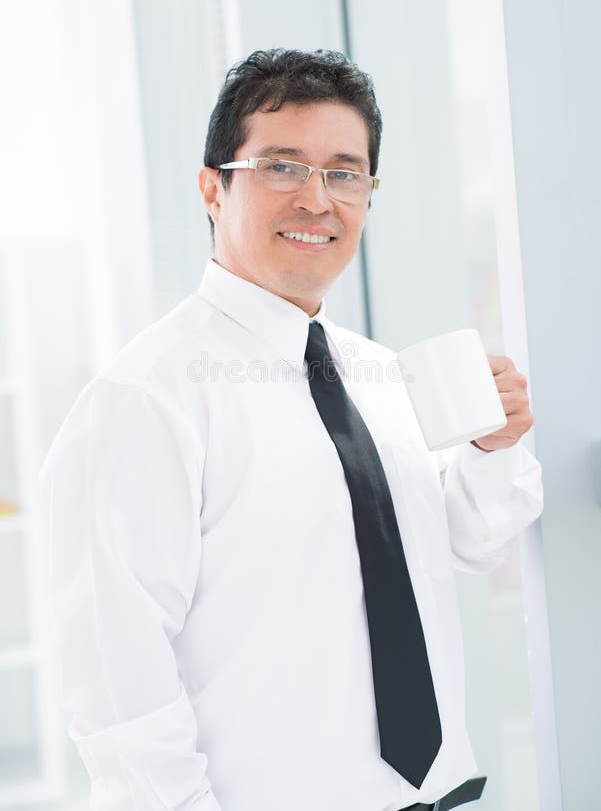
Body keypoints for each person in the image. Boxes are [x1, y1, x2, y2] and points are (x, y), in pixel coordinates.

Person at [39, 48, 543, 811]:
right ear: (212, 187)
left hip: (441, 796)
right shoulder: (144, 399)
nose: (317, 199)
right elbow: (116, 678)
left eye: (344, 173)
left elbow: (462, 544)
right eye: (281, 167)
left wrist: (487, 450)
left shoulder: (377, 375)